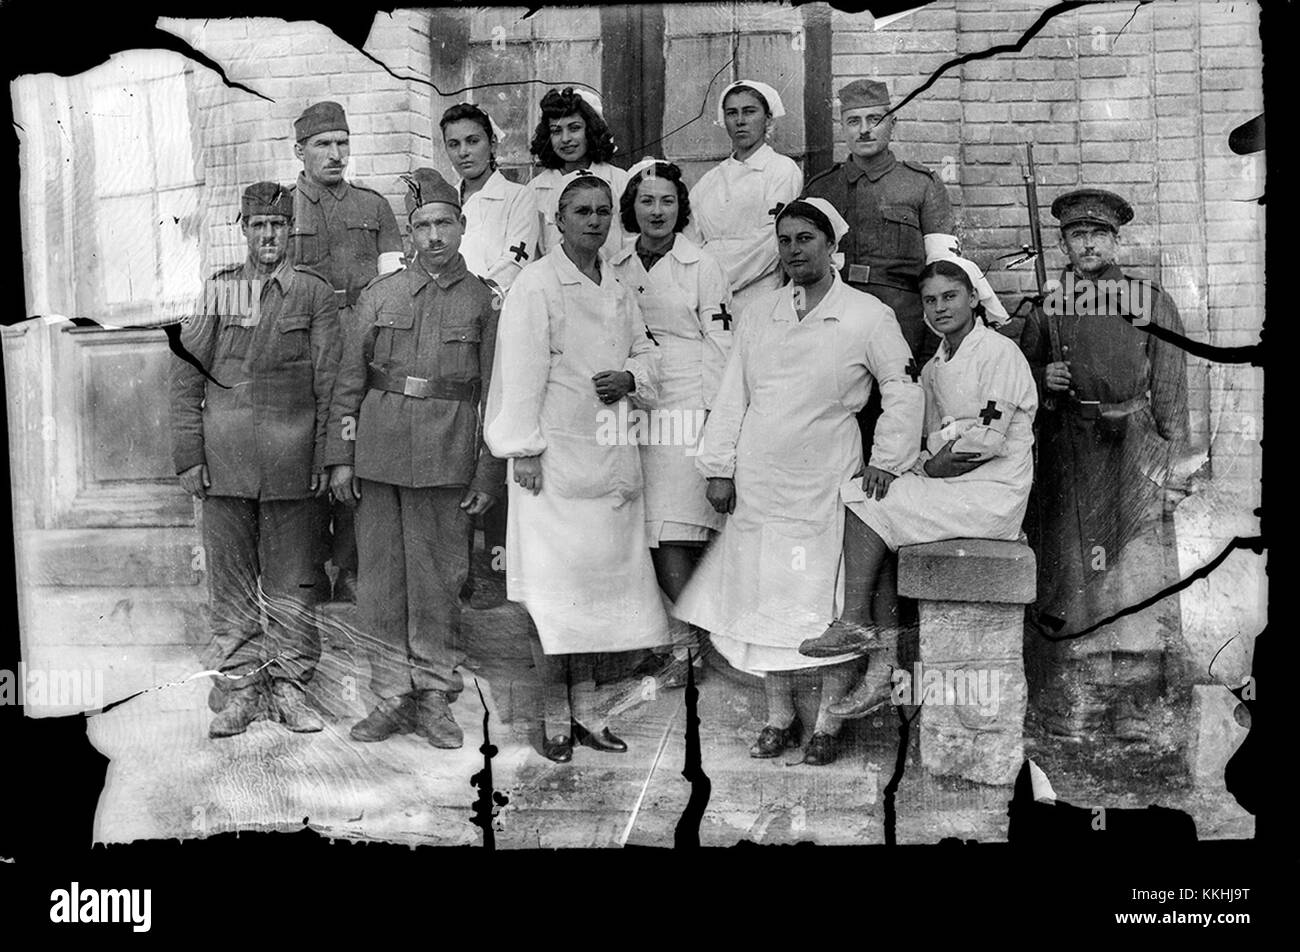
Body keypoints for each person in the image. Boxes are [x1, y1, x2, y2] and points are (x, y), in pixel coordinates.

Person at [673, 198, 924, 766]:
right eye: (785, 240)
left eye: (806, 239)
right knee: (768, 601)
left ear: (831, 245)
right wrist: (719, 467)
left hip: (825, 477)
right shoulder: (760, 313)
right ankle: (778, 717)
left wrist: (887, 458)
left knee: (820, 604)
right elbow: (734, 391)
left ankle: (829, 723)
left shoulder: (867, 314)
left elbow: (904, 389)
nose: (794, 250)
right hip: (760, 479)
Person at [799, 260, 1038, 718]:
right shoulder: (933, 367)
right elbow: (928, 442)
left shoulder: (998, 353)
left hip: (993, 494)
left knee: (866, 499)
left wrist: (935, 462)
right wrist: (929, 458)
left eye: (950, 296)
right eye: (931, 300)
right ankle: (882, 667)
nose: (941, 307)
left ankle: (855, 623)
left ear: (972, 298)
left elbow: (986, 441)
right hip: (956, 487)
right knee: (873, 505)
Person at [484, 175, 670, 762]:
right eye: (580, 212)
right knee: (553, 596)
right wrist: (525, 451)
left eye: (602, 211)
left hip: (609, 458)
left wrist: (631, 379)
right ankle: (554, 715)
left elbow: (645, 350)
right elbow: (518, 372)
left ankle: (588, 711)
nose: (593, 221)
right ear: (557, 221)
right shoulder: (537, 285)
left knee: (594, 600)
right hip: (552, 463)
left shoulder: (617, 283)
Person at [324, 169, 502, 750]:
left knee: (438, 582)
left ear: (462, 226)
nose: (433, 237)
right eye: (422, 226)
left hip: (446, 457)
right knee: (378, 584)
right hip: (377, 455)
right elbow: (348, 384)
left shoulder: (485, 301)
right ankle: (389, 696)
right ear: (410, 233)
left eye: (443, 224)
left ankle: (433, 696)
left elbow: (496, 396)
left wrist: (486, 469)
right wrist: (341, 457)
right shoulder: (380, 297)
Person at [170, 182, 341, 738]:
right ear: (243, 230)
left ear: (290, 230)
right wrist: (190, 457)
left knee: (294, 583)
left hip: (293, 467)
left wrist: (326, 456)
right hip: (227, 466)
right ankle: (242, 690)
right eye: (258, 226)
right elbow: (185, 379)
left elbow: (331, 384)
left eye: (278, 226)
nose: (269, 236)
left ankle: (291, 689)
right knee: (234, 584)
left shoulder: (313, 295)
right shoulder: (222, 293)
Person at [1020, 188, 1190, 742]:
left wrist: (1170, 470)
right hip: (1070, 450)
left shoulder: (1148, 299)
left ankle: (1138, 705)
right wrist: (1045, 377)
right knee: (1072, 575)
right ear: (1064, 243)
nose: (1087, 243)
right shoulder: (1049, 304)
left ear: (1116, 239)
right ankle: (1077, 700)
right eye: (1076, 235)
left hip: (1134, 450)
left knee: (1135, 576)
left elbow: (1169, 387)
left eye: (1097, 233)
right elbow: (1021, 379)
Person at [609, 158, 734, 689]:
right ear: (631, 208)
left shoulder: (702, 265)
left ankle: (690, 645)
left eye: (666, 200)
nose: (657, 210)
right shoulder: (614, 264)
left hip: (686, 399)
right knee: (639, 529)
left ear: (681, 206)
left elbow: (723, 345)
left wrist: (714, 418)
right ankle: (669, 642)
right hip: (633, 398)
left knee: (674, 529)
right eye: (645, 200)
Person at [289, 101, 404, 603]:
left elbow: (396, 281)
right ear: (300, 151)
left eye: (342, 143)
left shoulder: (373, 206)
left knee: (356, 446)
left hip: (363, 340)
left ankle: (355, 567)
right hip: (304, 344)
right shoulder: (282, 207)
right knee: (305, 448)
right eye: (323, 145)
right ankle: (310, 568)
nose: (336, 154)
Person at [439, 101, 539, 609]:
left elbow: (513, 265)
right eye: (453, 145)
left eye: (472, 141)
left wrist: (464, 297)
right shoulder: (443, 200)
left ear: (492, 144)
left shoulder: (517, 199)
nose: (463, 153)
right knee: (455, 434)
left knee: (493, 437)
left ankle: (499, 567)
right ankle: (458, 568)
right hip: (445, 334)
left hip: (496, 328)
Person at [684, 80, 803, 320]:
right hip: (707, 298)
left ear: (767, 119)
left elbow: (771, 242)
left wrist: (715, 280)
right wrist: (701, 286)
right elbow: (690, 241)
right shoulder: (709, 181)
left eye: (749, 111)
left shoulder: (781, 170)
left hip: (759, 291)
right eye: (732, 113)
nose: (740, 120)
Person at [526, 86, 628, 260]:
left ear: (590, 130)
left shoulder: (620, 181)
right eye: (556, 131)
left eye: (574, 128)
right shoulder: (536, 189)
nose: (565, 139)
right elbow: (532, 252)